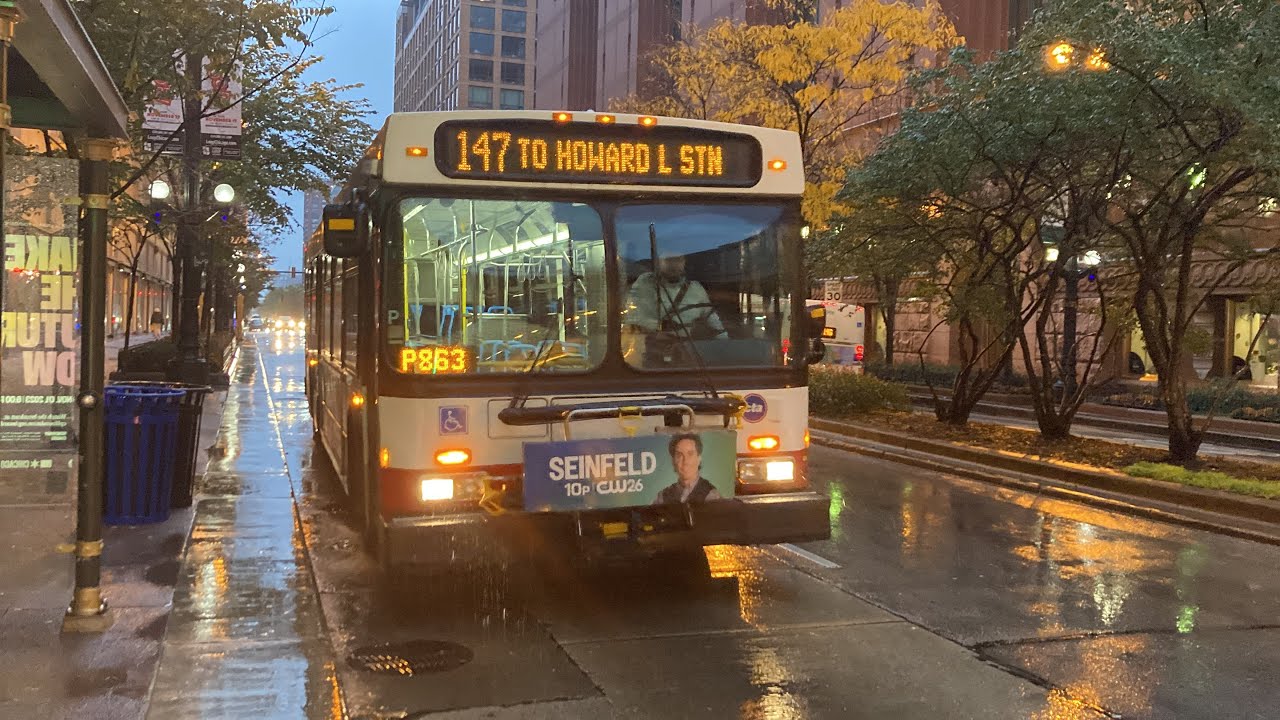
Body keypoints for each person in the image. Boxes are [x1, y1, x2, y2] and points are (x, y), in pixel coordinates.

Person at [624, 253, 727, 341]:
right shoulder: (646, 284)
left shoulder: (696, 288)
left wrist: (724, 339)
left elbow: (711, 317)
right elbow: (633, 317)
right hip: (653, 349)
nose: (673, 265)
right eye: (668, 260)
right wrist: (660, 326)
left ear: (684, 262)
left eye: (678, 260)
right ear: (659, 261)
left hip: (690, 350)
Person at [653, 433, 722, 504]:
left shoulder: (711, 495)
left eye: (690, 454)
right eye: (679, 455)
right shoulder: (662, 497)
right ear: (673, 461)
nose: (685, 461)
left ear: (699, 459)